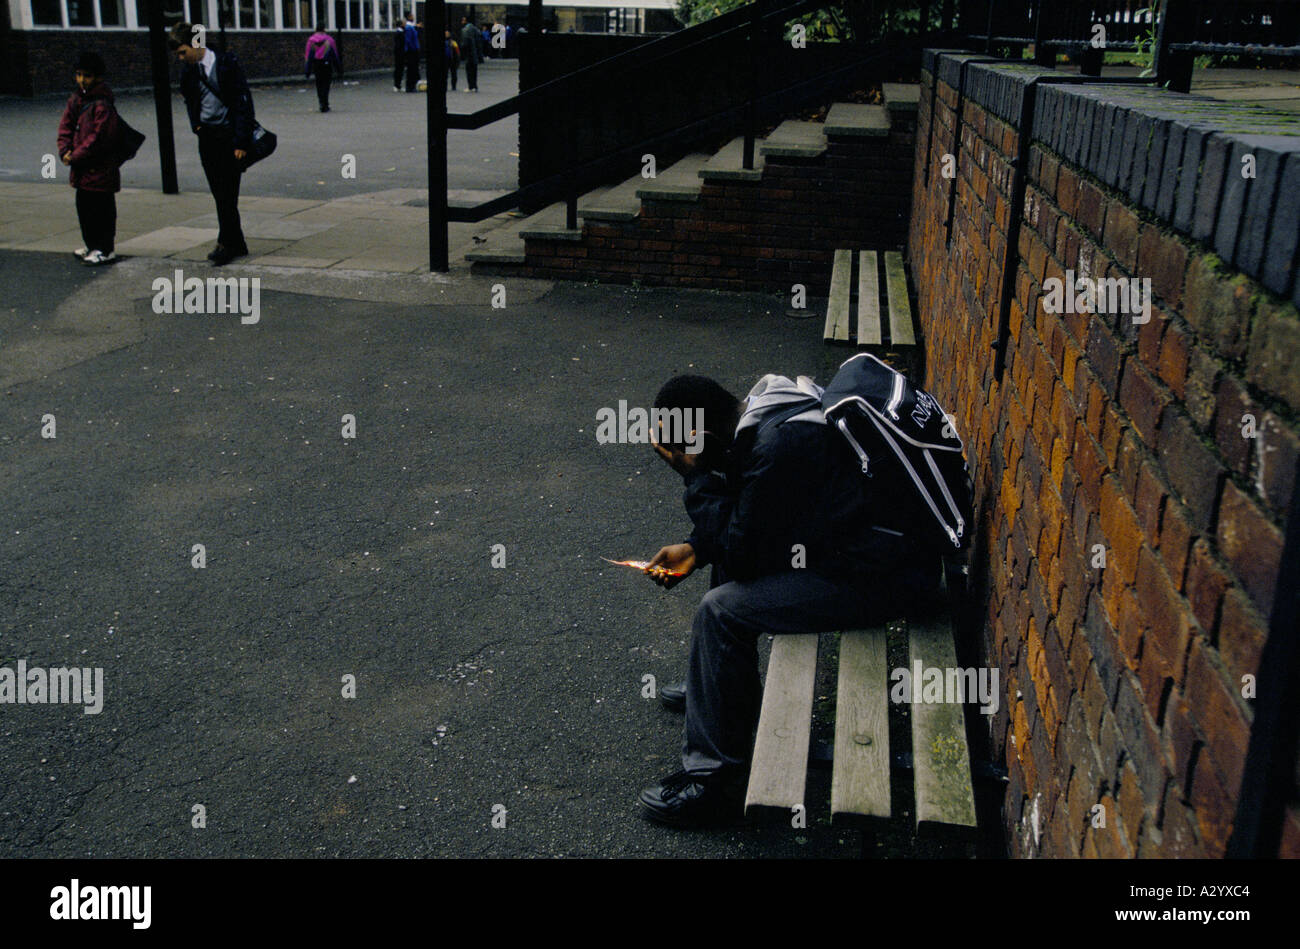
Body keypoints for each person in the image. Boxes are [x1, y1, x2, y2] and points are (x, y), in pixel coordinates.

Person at [636, 373, 941, 827]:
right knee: (726, 565)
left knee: (720, 610)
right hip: (875, 555)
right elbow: (756, 515)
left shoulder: (776, 447)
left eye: (682, 451)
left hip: (886, 581)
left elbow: (743, 553)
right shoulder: (769, 409)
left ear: (703, 437)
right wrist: (698, 548)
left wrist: (696, 478)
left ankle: (713, 784)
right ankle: (718, 688)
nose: (682, 460)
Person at [169, 22, 252, 266]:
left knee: (228, 193)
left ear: (196, 44)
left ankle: (225, 243)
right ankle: (236, 242)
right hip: (208, 138)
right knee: (220, 193)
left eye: (183, 52)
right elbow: (189, 101)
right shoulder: (189, 72)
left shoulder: (226, 64)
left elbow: (242, 102)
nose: (181, 58)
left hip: (229, 137)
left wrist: (241, 141)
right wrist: (196, 125)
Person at [57, 51, 123, 266]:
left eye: (86, 75)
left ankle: (105, 248)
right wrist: (64, 149)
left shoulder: (102, 103)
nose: (81, 80)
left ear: (97, 77)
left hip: (99, 168)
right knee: (84, 208)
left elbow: (99, 137)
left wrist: (73, 155)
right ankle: (92, 244)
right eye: (78, 75)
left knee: (101, 210)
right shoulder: (76, 99)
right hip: (82, 167)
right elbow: (65, 126)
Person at [304, 23, 342, 112]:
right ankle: (325, 103)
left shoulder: (311, 41)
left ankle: (321, 102)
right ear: (324, 29)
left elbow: (308, 56)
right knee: (326, 84)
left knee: (319, 84)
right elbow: (334, 55)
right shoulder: (330, 40)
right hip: (327, 64)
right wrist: (338, 69)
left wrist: (307, 71)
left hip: (316, 64)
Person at [459, 16, 480, 92]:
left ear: (465, 21)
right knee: (474, 71)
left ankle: (470, 86)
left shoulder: (465, 30)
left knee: (469, 71)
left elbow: (465, 43)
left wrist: (462, 52)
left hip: (469, 54)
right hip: (475, 53)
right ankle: (475, 86)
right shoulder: (475, 29)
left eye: (462, 20)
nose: (461, 22)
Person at [402, 13, 421, 92]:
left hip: (412, 50)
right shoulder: (409, 28)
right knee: (412, 69)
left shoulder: (411, 27)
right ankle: (410, 86)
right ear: (409, 17)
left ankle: (412, 85)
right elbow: (408, 40)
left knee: (413, 69)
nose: (413, 17)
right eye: (412, 16)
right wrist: (412, 49)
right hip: (412, 51)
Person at [393, 18, 405, 91]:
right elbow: (399, 45)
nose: (405, 24)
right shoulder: (399, 33)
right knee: (399, 69)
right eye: (404, 23)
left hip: (399, 53)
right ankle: (397, 85)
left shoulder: (400, 32)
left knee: (399, 69)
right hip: (399, 54)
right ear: (401, 24)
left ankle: (398, 85)